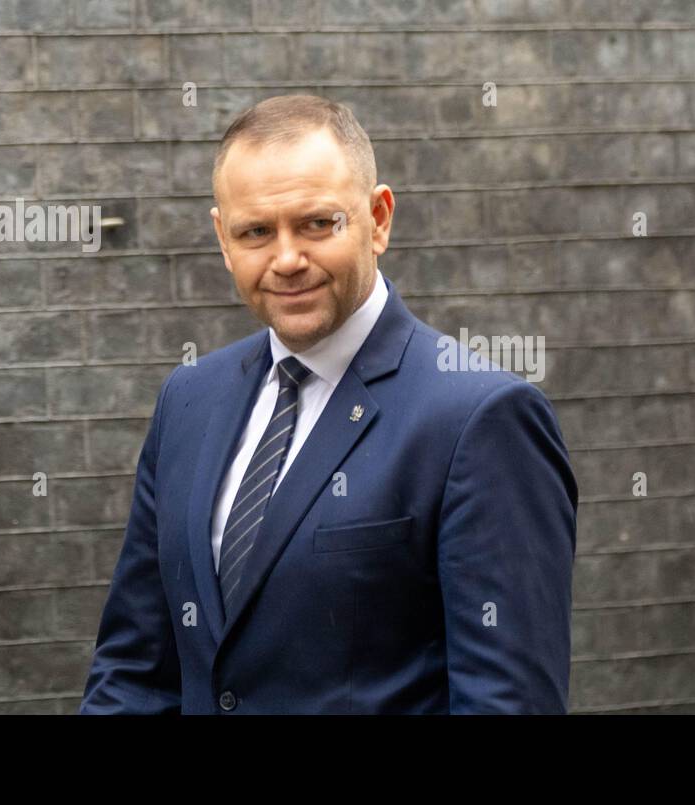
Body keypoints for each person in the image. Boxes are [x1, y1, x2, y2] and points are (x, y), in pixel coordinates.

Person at [79, 94, 578, 714]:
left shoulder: (481, 420)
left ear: (379, 218)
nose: (287, 259)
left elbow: (507, 703)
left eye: (318, 224)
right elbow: (134, 671)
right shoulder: (189, 400)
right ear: (222, 241)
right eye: (256, 232)